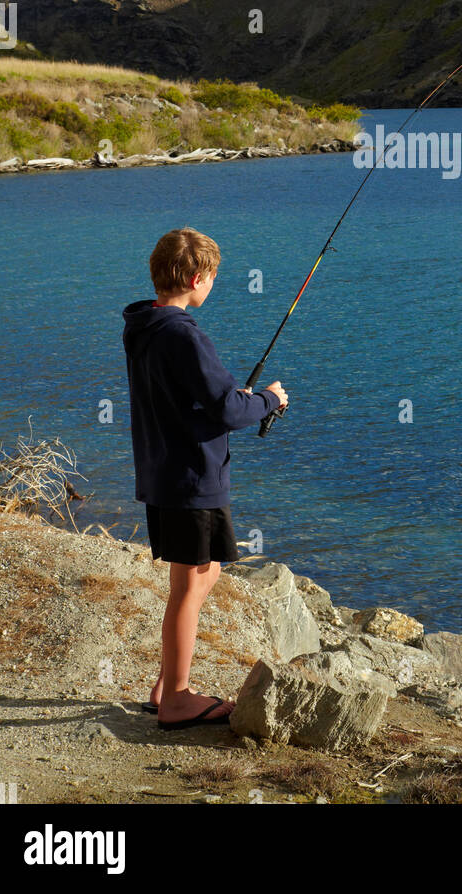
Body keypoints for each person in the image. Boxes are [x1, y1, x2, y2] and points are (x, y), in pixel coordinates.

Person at [122, 226, 287, 730]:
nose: (211, 284)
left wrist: (229, 397)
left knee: (203, 573)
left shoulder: (142, 325)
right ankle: (176, 700)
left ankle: (167, 683)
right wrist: (269, 400)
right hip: (192, 477)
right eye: (212, 277)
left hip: (164, 470)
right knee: (191, 583)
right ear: (198, 278)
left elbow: (196, 397)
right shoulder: (185, 335)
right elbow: (227, 409)